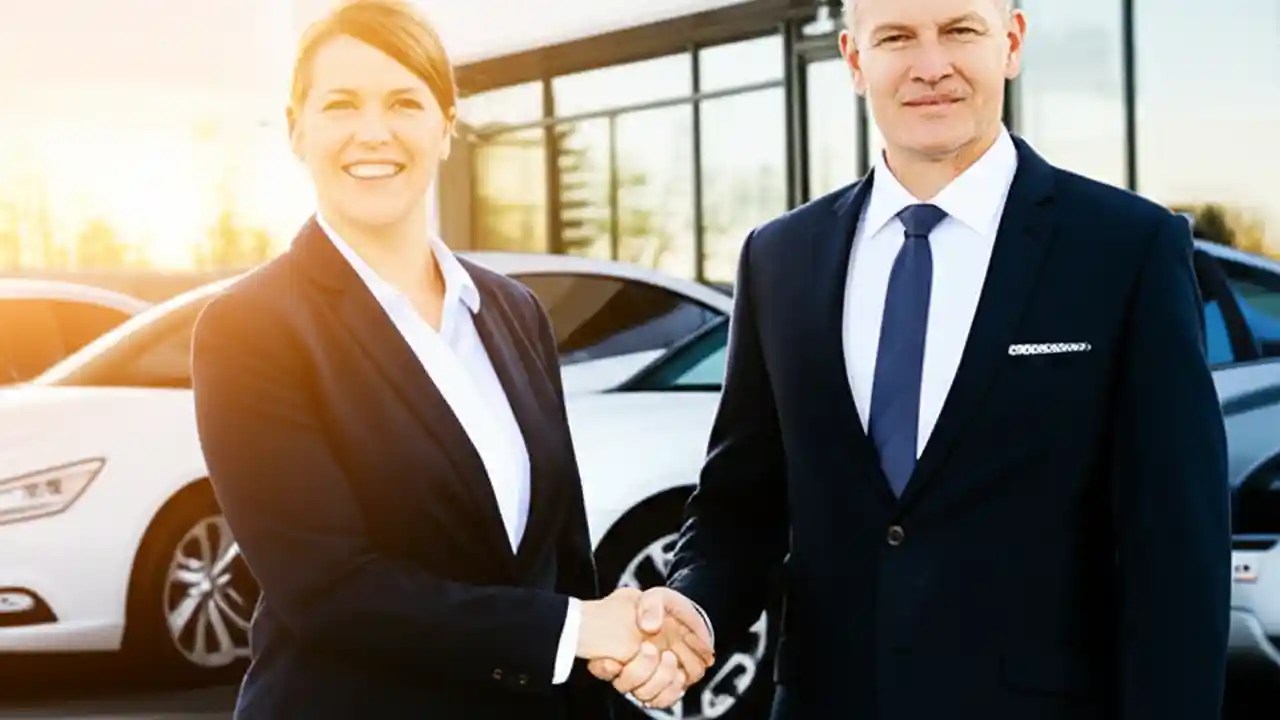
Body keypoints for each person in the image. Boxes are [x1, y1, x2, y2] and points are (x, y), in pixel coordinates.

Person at [591, 0, 1231, 717]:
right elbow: (743, 502)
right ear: (855, 59)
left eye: (960, 30)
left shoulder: (1126, 248)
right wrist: (693, 615)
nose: (932, 66)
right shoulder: (780, 258)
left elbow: (1177, 548)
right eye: (897, 37)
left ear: (1011, 43)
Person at [189, 1, 712, 718]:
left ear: (445, 127)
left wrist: (617, 656)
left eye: (405, 101)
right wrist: (575, 630)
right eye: (341, 104)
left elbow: (561, 557)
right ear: (295, 130)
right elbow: (329, 590)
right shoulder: (250, 327)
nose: (374, 132)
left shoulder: (511, 311)